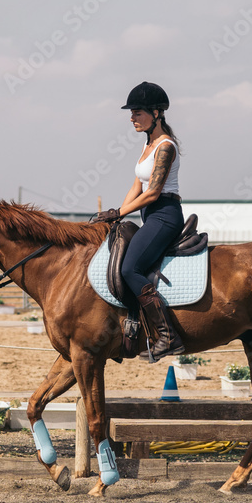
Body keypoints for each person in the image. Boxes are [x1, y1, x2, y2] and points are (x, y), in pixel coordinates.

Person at [91, 81, 185, 360]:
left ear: (157, 113)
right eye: (131, 112)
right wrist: (115, 213)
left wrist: (121, 213)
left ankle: (168, 336)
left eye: (138, 112)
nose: (132, 117)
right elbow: (137, 186)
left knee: (130, 268)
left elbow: (153, 192)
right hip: (150, 214)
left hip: (165, 215)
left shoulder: (165, 147)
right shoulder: (148, 145)